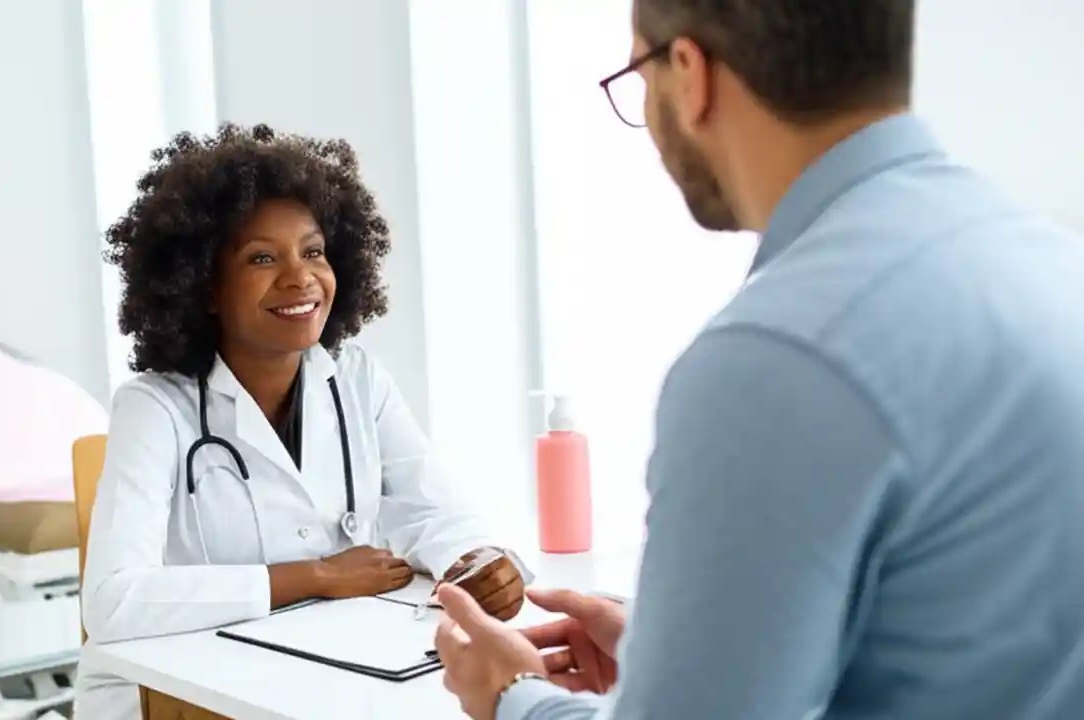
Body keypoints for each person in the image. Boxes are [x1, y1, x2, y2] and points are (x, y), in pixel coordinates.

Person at [435, 1, 1084, 719]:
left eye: (636, 78)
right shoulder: (1047, 263)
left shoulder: (779, 356)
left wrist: (513, 695)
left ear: (689, 73)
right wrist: (690, 652)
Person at [74, 123, 525, 719]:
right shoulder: (154, 406)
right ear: (204, 286)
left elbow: (431, 508)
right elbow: (113, 602)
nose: (300, 277)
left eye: (312, 251)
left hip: (320, 667)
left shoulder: (356, 377)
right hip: (176, 693)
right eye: (262, 258)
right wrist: (314, 575)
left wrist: (475, 560)